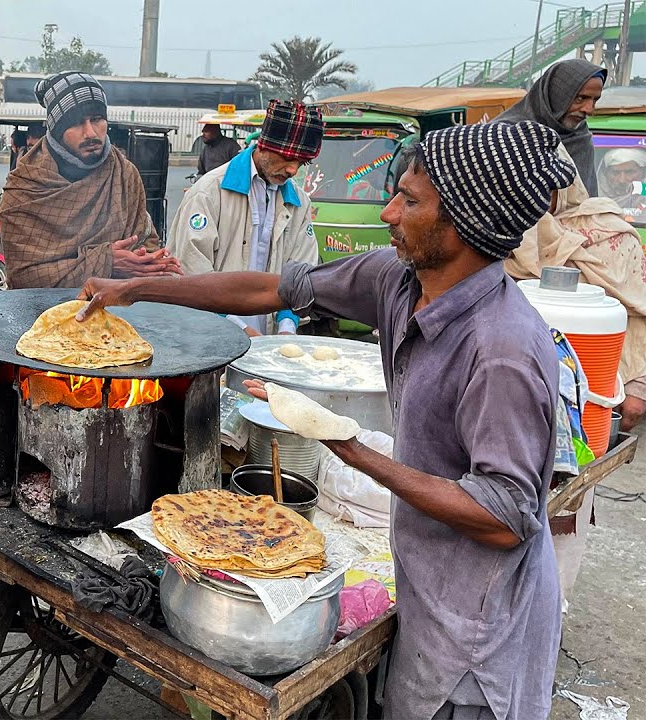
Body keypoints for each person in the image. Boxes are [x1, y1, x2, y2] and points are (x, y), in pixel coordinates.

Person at [80, 120, 575, 719]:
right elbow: (270, 289)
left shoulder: (504, 350)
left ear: (466, 225)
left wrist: (353, 446)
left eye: (411, 201)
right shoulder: (398, 281)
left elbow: (505, 517)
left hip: (481, 629)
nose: (389, 213)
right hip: (425, 576)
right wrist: (142, 290)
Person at [506, 170, 646, 615]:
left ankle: (547, 612)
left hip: (590, 413)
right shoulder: (507, 233)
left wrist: (636, 386)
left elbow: (638, 317)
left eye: (544, 187)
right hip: (512, 413)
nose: (533, 197)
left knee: (563, 514)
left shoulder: (607, 234)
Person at [0, 71, 180, 288]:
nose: (91, 133)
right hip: (44, 316)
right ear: (56, 131)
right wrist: (107, 262)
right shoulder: (25, 188)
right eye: (76, 123)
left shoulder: (123, 174)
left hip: (117, 311)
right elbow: (24, 278)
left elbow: (145, 242)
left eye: (96, 119)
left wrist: (148, 262)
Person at [167, 99, 322, 336]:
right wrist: (240, 330)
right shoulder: (209, 192)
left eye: (301, 162)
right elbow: (189, 272)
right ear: (265, 145)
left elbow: (301, 274)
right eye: (287, 158)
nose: (293, 170)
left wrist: (287, 330)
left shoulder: (299, 202)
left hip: (269, 348)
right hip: (209, 338)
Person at [496, 58, 605, 195]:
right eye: (580, 98)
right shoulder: (505, 138)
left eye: (595, 100)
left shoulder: (581, 138)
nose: (589, 109)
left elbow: (588, 203)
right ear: (555, 95)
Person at [597, 147, 646, 218]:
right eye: (615, 173)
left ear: (643, 172)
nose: (621, 180)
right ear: (606, 173)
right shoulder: (592, 196)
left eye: (629, 172)